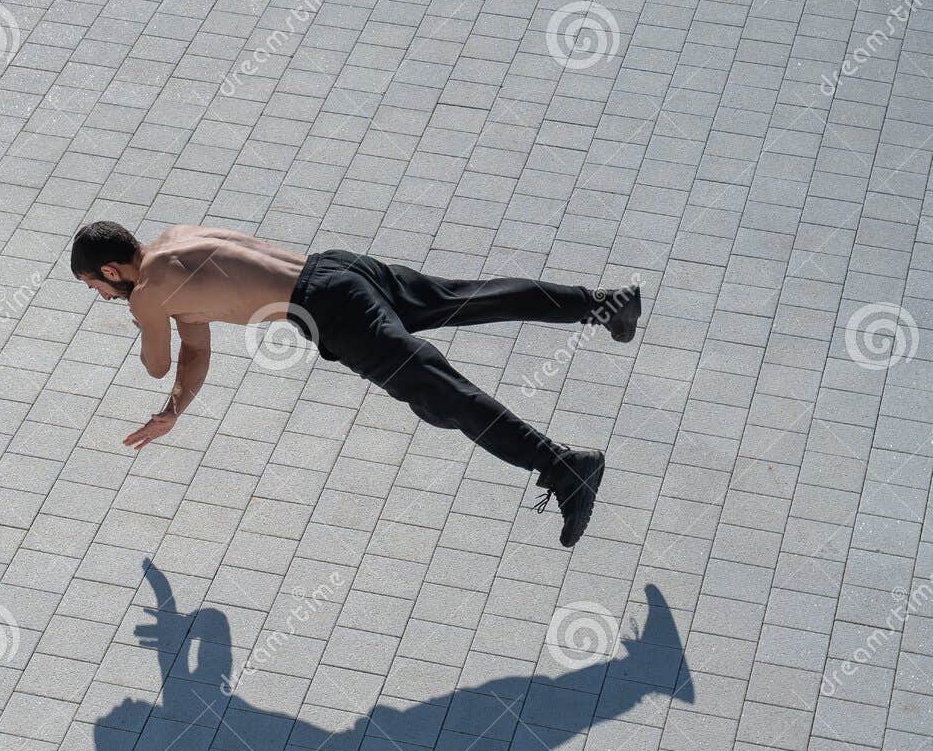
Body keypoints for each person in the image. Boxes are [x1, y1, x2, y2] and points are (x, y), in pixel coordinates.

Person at [70, 221, 641, 546]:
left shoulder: (147, 295)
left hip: (329, 309)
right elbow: (195, 347)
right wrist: (175, 411)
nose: (99, 295)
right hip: (338, 268)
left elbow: (157, 362)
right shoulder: (176, 237)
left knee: (438, 392)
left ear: (112, 271)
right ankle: (605, 303)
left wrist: (142, 320)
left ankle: (562, 466)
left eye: (95, 286)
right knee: (467, 298)